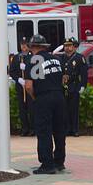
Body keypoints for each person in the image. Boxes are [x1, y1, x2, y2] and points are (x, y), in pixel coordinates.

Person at [26, 34, 67, 174]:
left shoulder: (33, 60)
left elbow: (29, 86)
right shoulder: (56, 59)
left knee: (44, 131)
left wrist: (35, 97)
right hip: (59, 97)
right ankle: (59, 161)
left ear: (33, 47)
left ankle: (47, 164)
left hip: (43, 98)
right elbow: (62, 79)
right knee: (59, 130)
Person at [62, 38, 88, 136]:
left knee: (74, 109)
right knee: (65, 109)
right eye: (66, 46)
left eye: (69, 46)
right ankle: (67, 129)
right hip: (64, 87)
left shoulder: (79, 58)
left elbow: (84, 73)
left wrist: (82, 86)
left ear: (74, 47)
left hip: (74, 85)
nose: (67, 48)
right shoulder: (62, 58)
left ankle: (75, 129)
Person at [11, 40, 33, 135]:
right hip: (20, 86)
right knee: (22, 109)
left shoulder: (32, 56)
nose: (23, 47)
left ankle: (33, 129)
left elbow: (36, 71)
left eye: (25, 45)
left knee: (31, 108)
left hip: (30, 86)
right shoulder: (16, 57)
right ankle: (25, 129)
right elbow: (12, 71)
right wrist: (18, 79)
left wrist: (27, 67)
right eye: (22, 45)